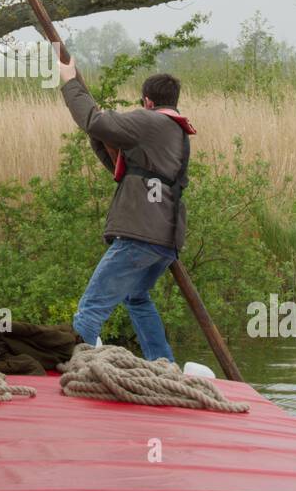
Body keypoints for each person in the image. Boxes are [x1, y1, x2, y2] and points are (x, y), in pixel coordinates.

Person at [58, 59, 195, 361]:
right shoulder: (175, 132)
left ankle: (76, 368)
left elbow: (94, 121)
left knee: (91, 308)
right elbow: (126, 170)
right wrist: (100, 136)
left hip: (139, 237)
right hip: (165, 241)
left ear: (147, 101)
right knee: (137, 298)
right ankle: (164, 366)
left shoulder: (151, 122)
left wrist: (69, 81)